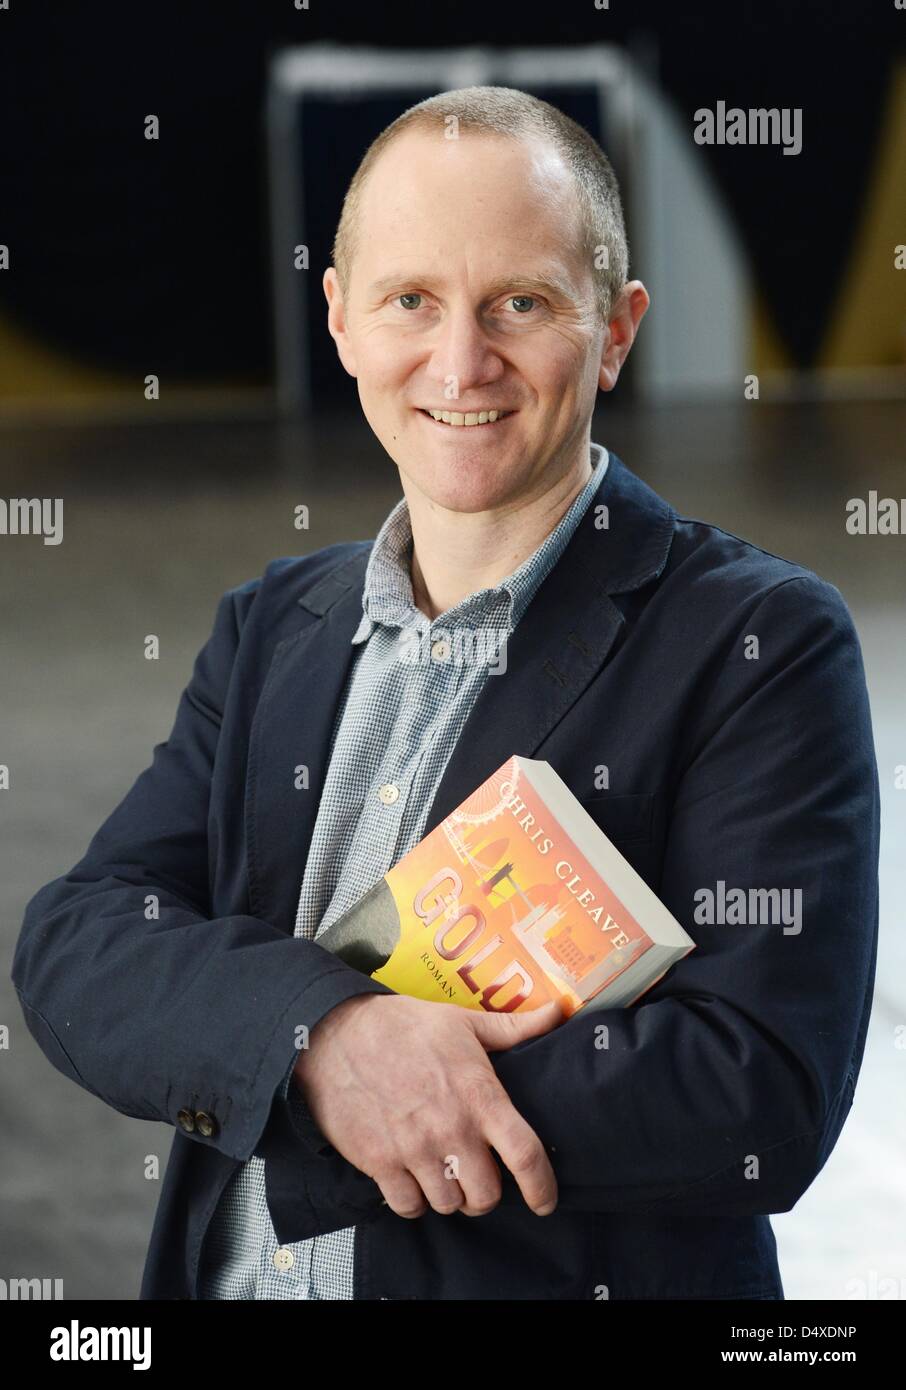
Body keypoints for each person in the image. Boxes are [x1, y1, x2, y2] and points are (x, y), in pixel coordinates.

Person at [12, 86, 879, 1301]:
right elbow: (80, 941)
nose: (461, 360)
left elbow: (760, 1092)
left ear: (618, 329)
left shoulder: (758, 641)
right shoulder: (276, 625)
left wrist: (336, 1105)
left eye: (521, 303)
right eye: (410, 300)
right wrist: (323, 1042)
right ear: (342, 321)